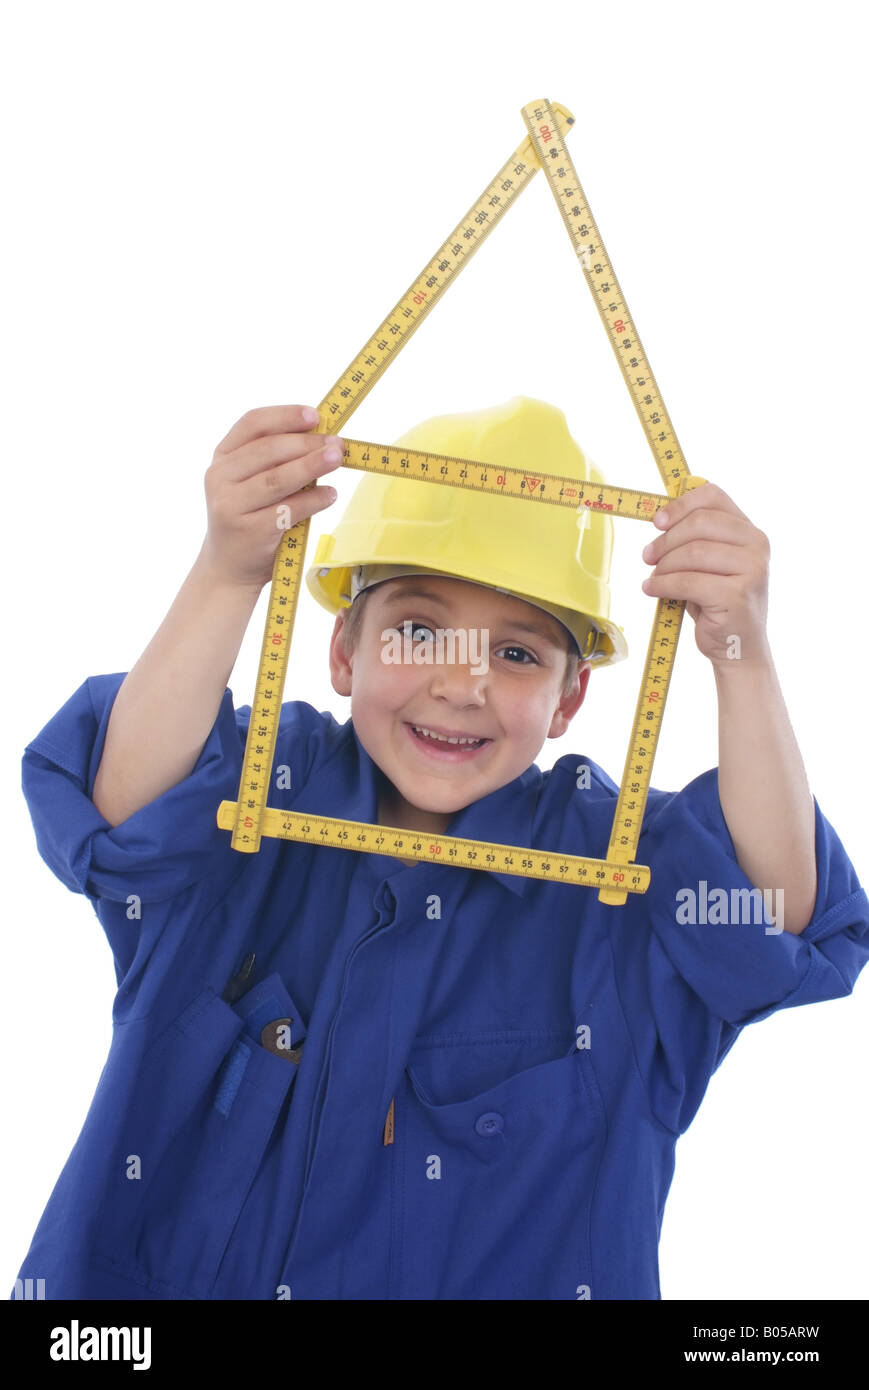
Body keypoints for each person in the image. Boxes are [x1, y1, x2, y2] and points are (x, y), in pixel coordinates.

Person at [11, 396, 868, 1301]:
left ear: (568, 704)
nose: (463, 685)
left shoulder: (616, 868)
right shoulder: (257, 790)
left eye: (518, 654)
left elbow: (774, 924)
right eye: (418, 631)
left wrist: (740, 653)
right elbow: (121, 818)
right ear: (343, 652)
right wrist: (227, 572)